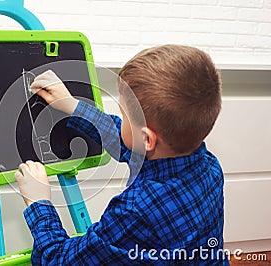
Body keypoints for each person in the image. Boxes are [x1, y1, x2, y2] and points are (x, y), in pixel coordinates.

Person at [14, 45, 227, 265]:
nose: (121, 118)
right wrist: (75, 108)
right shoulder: (209, 166)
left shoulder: (135, 211)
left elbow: (61, 261)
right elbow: (130, 144)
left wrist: (39, 202)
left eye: (123, 114)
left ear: (147, 139)